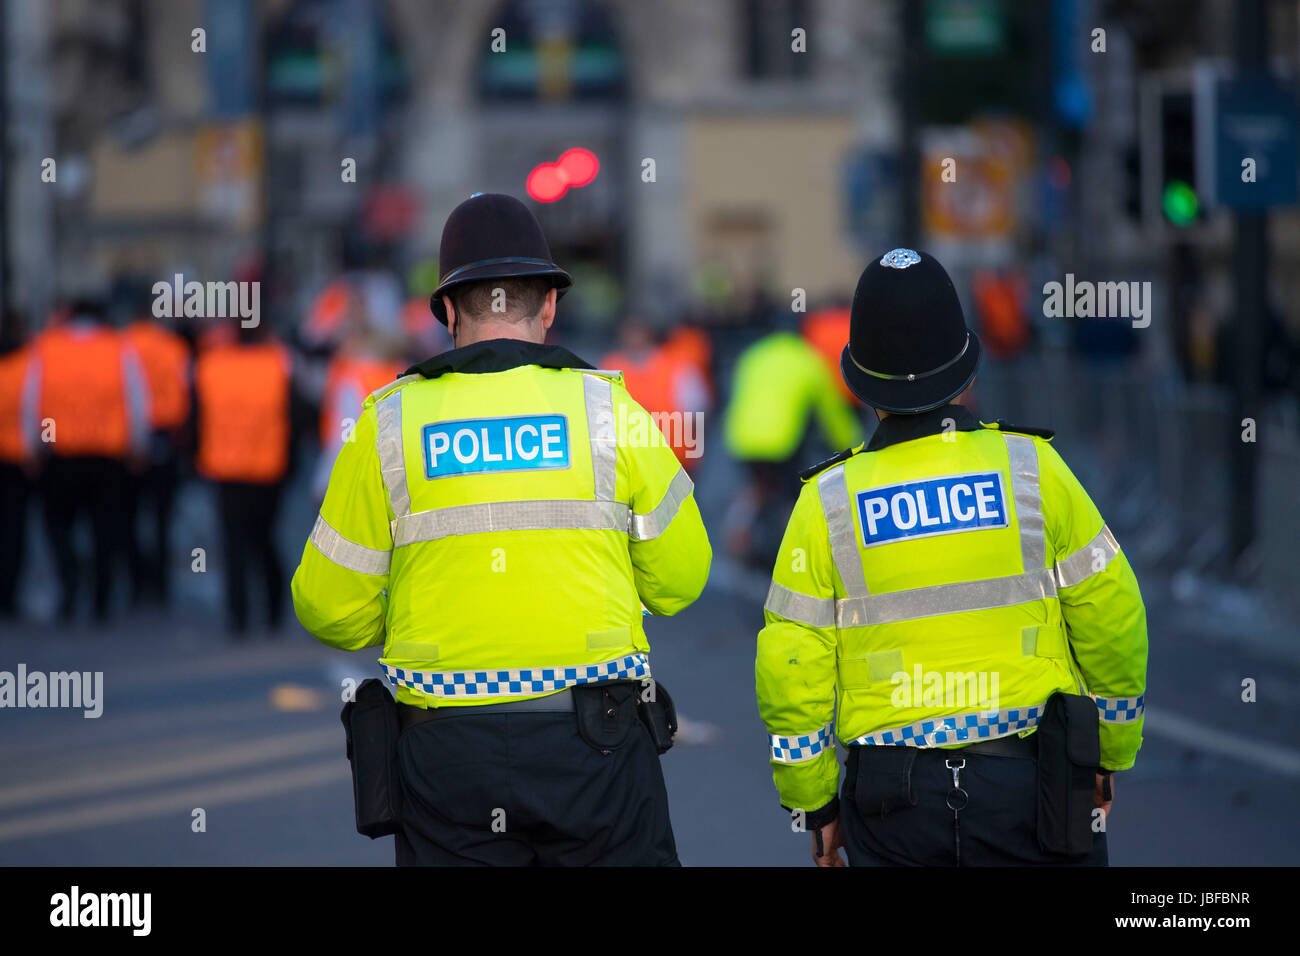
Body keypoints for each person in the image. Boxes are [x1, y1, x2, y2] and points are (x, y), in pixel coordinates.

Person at [292, 193, 711, 866]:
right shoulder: (610, 409)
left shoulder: (387, 424)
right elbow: (681, 580)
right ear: (548, 305)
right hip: (596, 749)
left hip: (447, 760)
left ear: (448, 311)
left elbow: (328, 607)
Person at [755, 248, 1148, 867]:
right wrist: (1109, 752)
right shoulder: (1032, 469)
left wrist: (817, 807)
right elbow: (1113, 615)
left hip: (892, 809)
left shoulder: (827, 501)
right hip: (1036, 793)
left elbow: (792, 667)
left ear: (861, 384)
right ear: (966, 373)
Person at [24, 298, 149, 621]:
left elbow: (32, 400)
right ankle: (101, 598)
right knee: (105, 528)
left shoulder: (47, 348)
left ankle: (70, 582)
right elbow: (137, 399)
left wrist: (35, 446)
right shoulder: (118, 347)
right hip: (107, 454)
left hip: (60, 454)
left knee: (58, 526)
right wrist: (138, 444)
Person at [722, 312, 863, 568]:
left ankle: (736, 538)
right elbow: (831, 411)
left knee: (757, 487)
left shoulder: (754, 355)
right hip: (780, 440)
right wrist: (853, 443)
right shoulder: (808, 359)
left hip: (742, 437)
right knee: (791, 495)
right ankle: (794, 553)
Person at [195, 323, 292, 637]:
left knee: (233, 542)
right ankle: (274, 610)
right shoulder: (278, 362)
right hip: (268, 466)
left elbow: (196, 414)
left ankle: (238, 617)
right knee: (265, 539)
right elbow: (296, 413)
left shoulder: (211, 364)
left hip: (225, 466)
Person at [123, 313, 192, 606]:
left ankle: (138, 583)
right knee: (162, 517)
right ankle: (161, 585)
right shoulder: (175, 347)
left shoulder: (122, 345)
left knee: (129, 516)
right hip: (168, 437)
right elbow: (188, 393)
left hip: (129, 440)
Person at [0, 312, 32, 618]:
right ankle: (8, 595)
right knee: (14, 530)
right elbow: (37, 412)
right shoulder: (28, 368)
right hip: (18, 458)